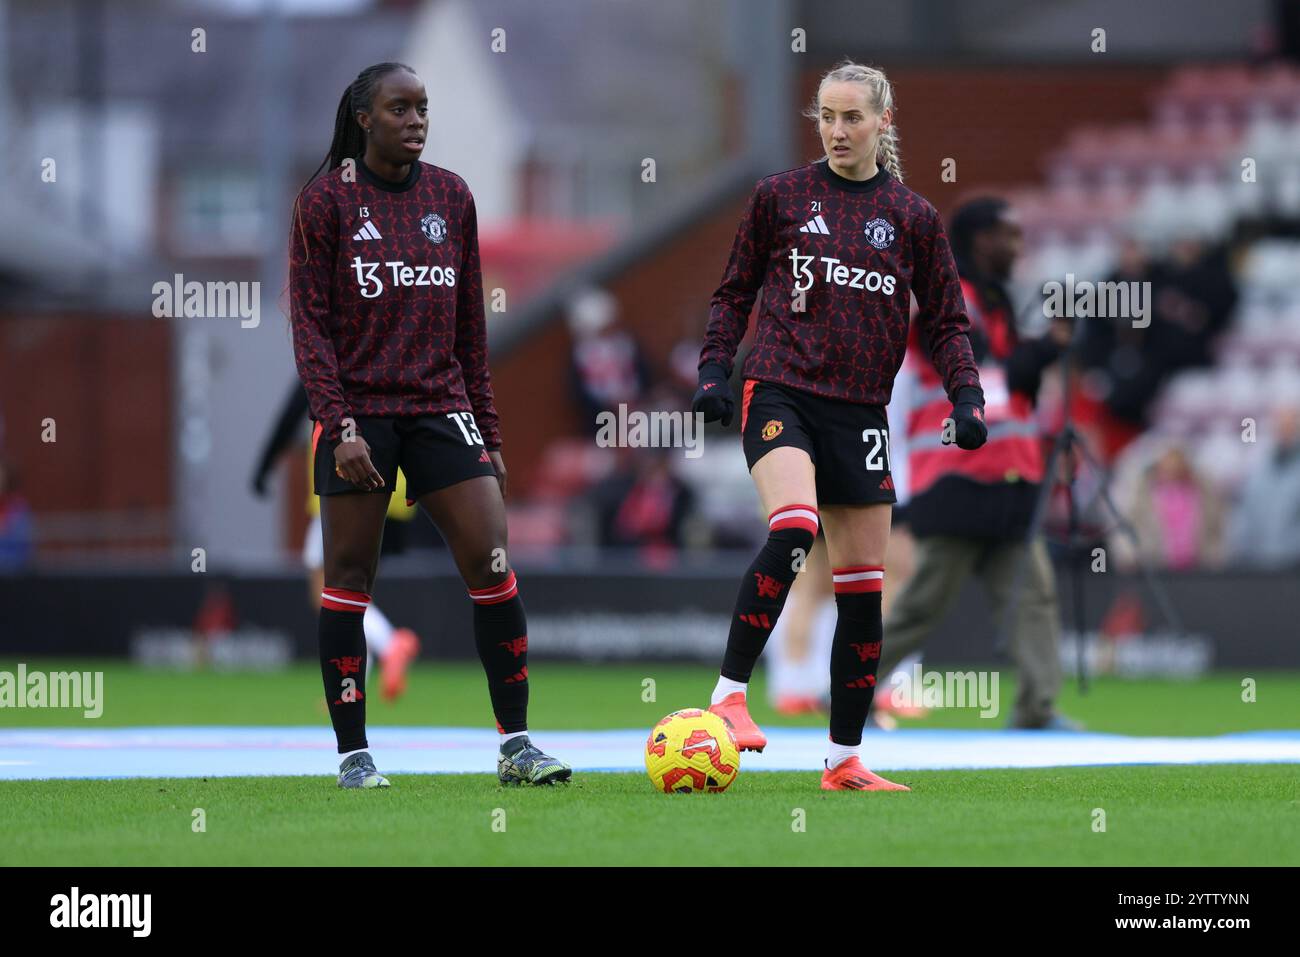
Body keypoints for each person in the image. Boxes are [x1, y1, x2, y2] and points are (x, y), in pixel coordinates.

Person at [692, 61, 987, 791]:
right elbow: (732, 292)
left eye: (852, 117)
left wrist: (968, 397)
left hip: (859, 410)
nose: (837, 130)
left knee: (863, 590)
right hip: (781, 389)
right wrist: (712, 369)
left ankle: (843, 758)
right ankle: (729, 697)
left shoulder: (913, 217)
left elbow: (948, 320)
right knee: (793, 527)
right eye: (826, 116)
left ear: (883, 122)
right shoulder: (781, 197)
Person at [290, 61, 570, 788]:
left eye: (422, 107)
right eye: (400, 108)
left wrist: (492, 433)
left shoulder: (452, 195)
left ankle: (517, 745)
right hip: (360, 413)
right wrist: (337, 423)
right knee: (348, 577)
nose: (416, 119)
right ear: (364, 118)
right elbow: (310, 327)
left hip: (441, 406)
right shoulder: (326, 202)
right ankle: (354, 754)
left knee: (494, 561)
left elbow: (471, 329)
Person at [873, 196, 1079, 730]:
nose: (1015, 245)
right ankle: (850, 691)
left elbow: (1013, 381)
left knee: (1032, 595)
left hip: (1009, 474)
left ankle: (1038, 708)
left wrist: (1045, 350)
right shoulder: (950, 300)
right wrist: (1049, 345)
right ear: (976, 240)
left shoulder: (992, 302)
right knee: (925, 601)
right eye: (1004, 235)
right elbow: (989, 371)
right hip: (958, 473)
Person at [250, 381, 421, 701]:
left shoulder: (326, 363)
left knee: (327, 591)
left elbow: (289, 416)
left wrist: (264, 466)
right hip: (396, 489)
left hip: (346, 485)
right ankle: (353, 688)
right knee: (354, 589)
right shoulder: (390, 358)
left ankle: (390, 642)